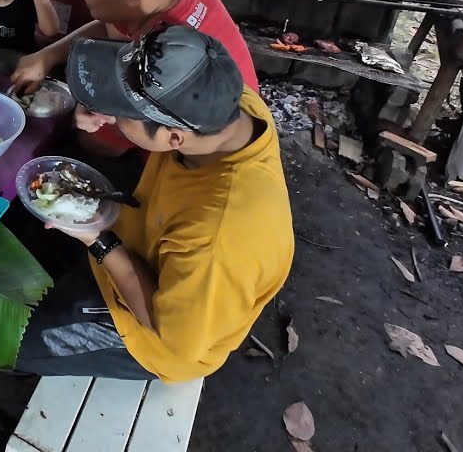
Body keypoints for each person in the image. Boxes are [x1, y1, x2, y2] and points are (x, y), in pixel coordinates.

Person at [15, 26, 293, 382]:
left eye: (122, 110)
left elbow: (167, 332)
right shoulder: (232, 106)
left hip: (155, 334)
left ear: (174, 137)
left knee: (13, 338)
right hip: (143, 240)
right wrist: (103, 106)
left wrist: (98, 239)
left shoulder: (219, 236)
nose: (113, 114)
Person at [11, 0, 258, 155]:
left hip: (207, 139)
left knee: (94, 141)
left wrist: (103, 116)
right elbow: (111, 24)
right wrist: (48, 56)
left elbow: (118, 134)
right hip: (201, 108)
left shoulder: (168, 43)